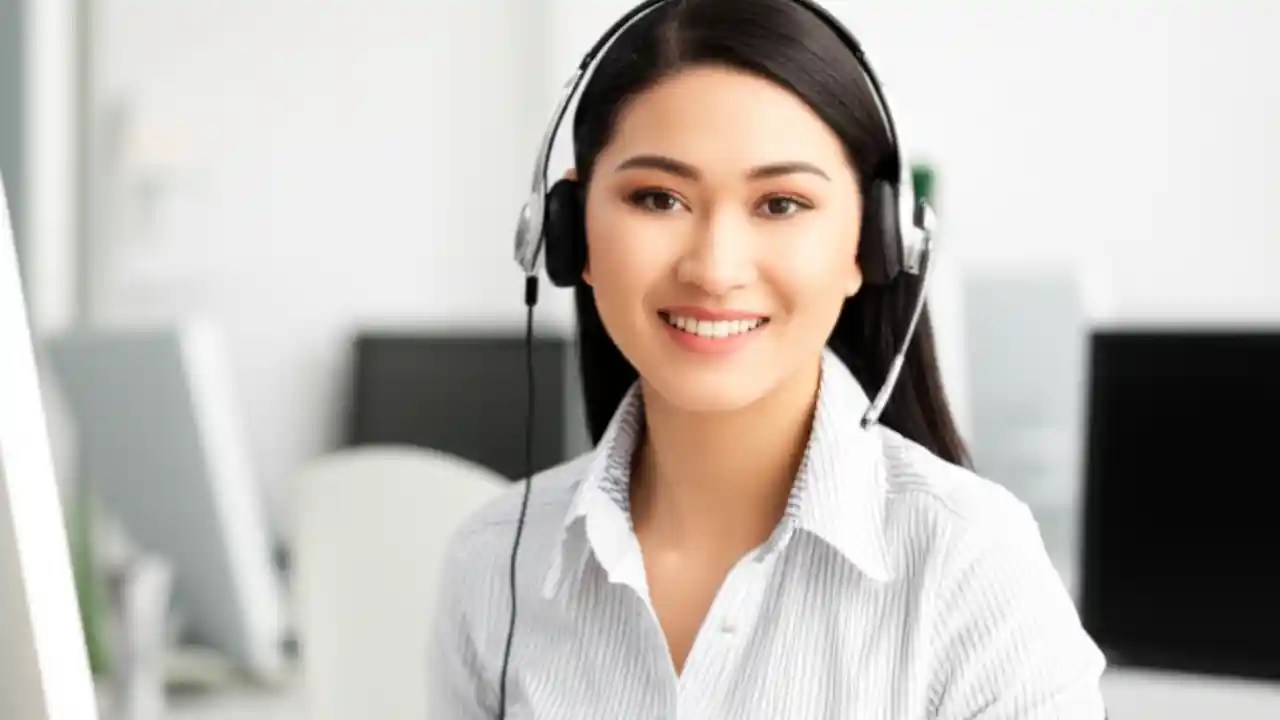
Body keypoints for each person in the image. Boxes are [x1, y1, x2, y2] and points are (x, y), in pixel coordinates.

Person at [429, 0, 1107, 717]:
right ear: (569, 233)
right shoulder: (494, 564)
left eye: (781, 204)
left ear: (874, 244)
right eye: (658, 198)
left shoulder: (971, 567)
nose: (715, 269)